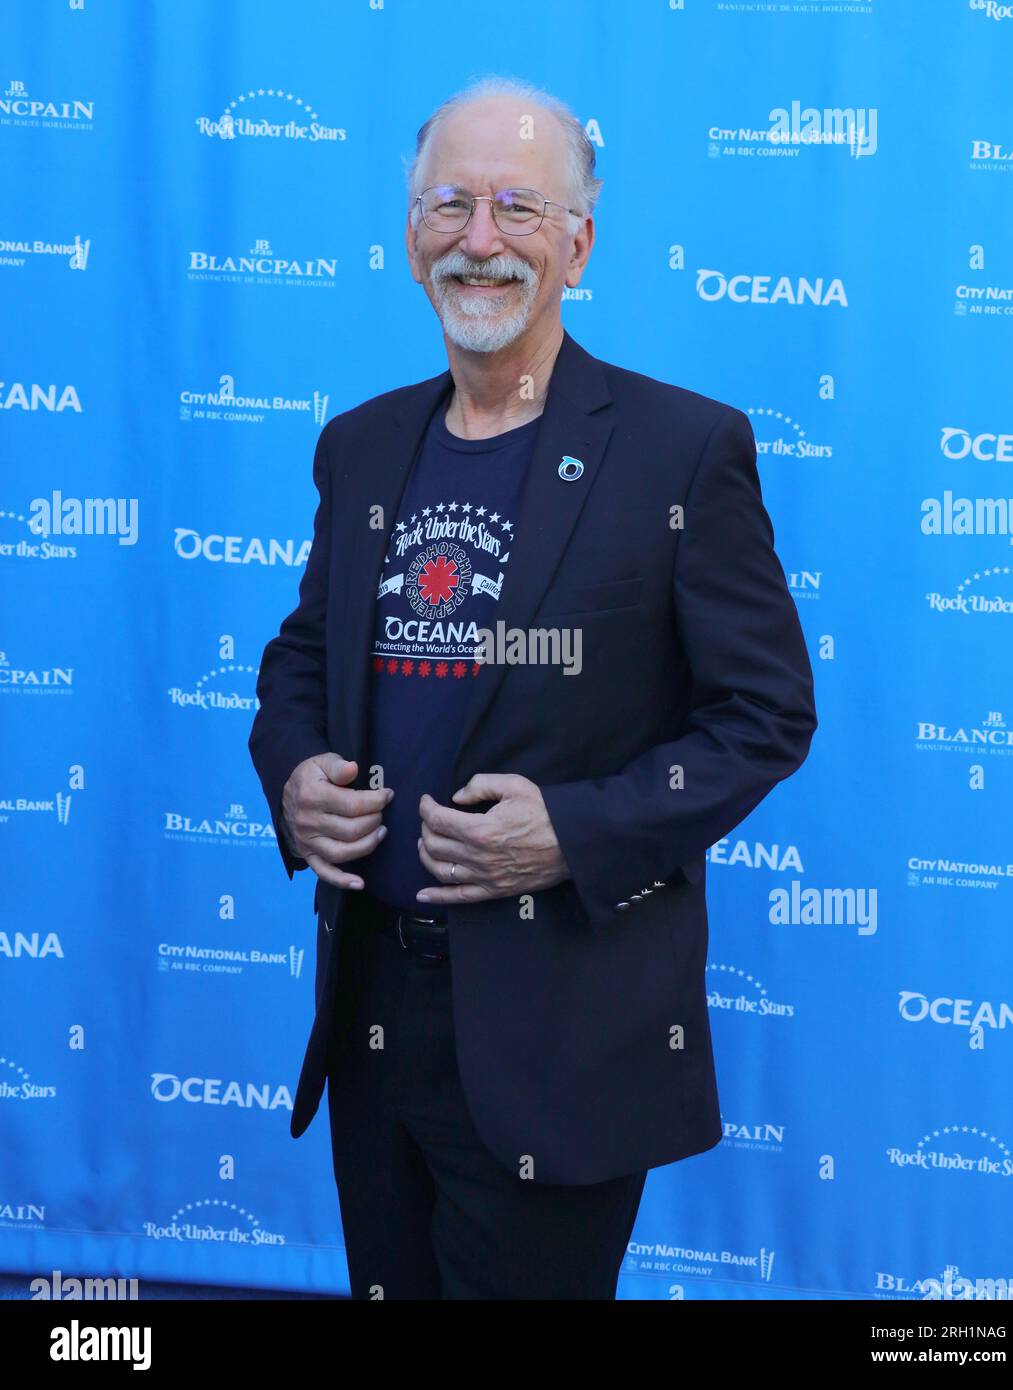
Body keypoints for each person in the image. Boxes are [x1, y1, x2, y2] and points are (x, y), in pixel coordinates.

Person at [248, 75, 817, 1300]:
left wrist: (574, 831)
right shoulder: (360, 445)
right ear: (411, 238)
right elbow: (303, 657)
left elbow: (765, 716)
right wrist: (293, 775)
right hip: (373, 1010)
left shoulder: (682, 449)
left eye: (518, 207)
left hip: (562, 1028)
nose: (480, 239)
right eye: (448, 205)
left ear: (577, 244)